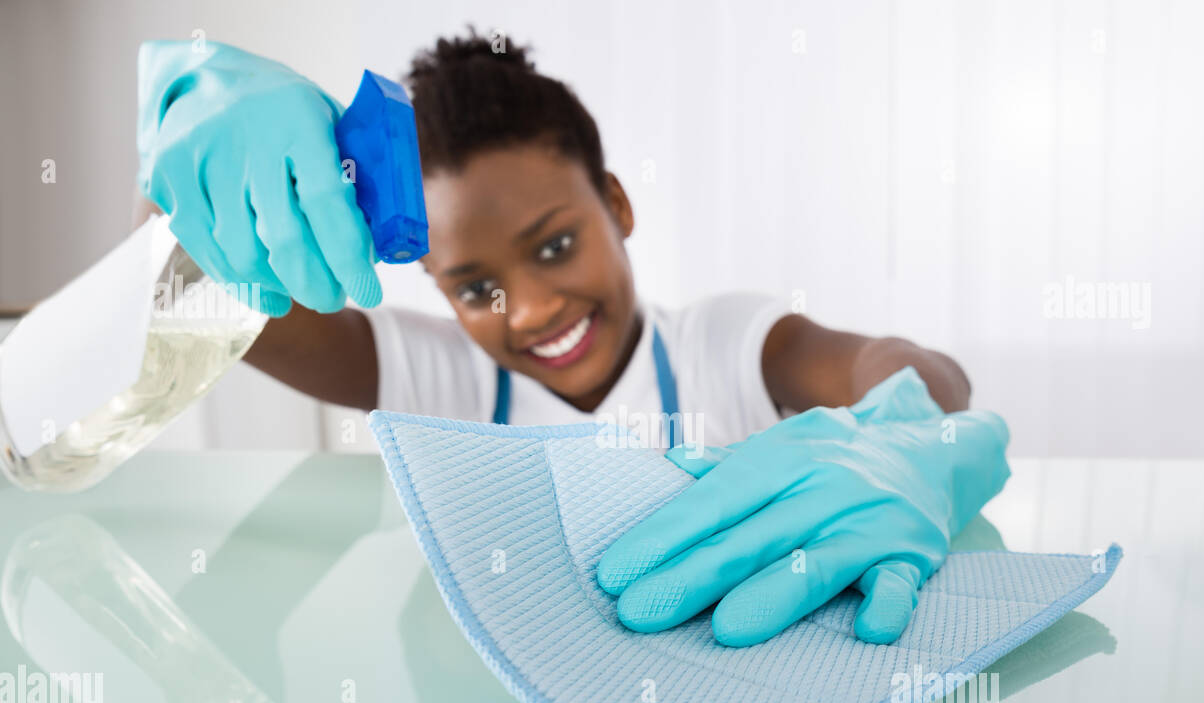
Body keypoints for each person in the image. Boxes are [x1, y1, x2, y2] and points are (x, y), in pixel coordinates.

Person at [134, 29, 1009, 646]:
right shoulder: (437, 378)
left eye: (555, 246)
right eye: (475, 287)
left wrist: (899, 434)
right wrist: (191, 155)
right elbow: (190, 287)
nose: (531, 309)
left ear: (618, 207)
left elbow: (911, 369)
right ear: (435, 286)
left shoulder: (723, 345)